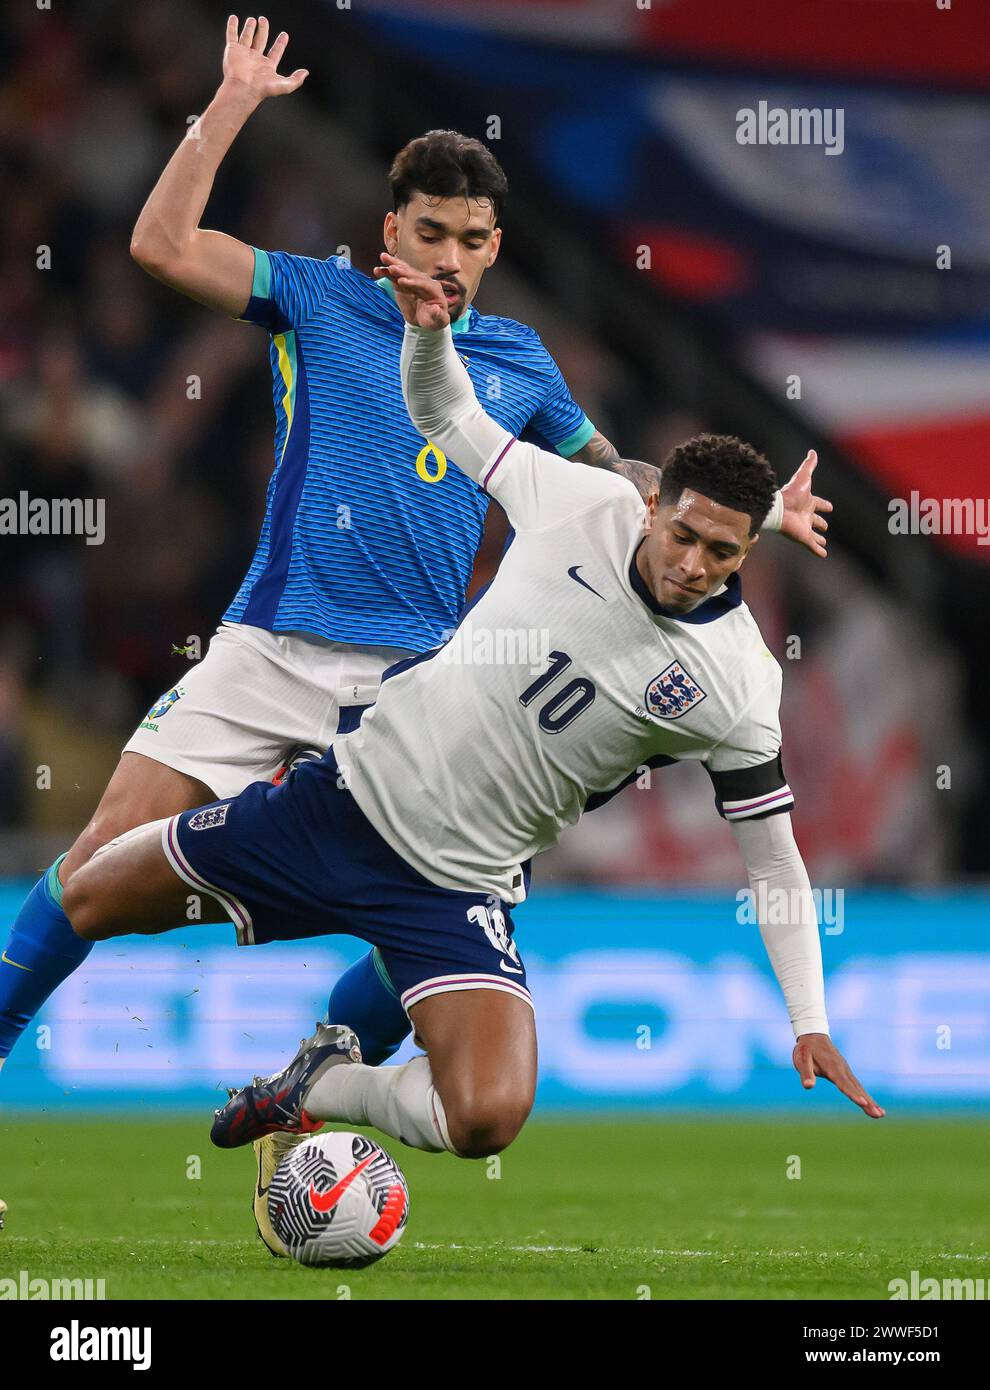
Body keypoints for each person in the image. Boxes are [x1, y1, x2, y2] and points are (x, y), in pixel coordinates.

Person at [62, 251, 882, 1190]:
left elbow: (775, 860)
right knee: (86, 894)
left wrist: (809, 1019)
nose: (694, 564)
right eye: (683, 534)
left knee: (487, 1115)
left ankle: (324, 1086)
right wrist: (424, 332)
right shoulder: (580, 498)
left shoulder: (737, 684)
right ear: (649, 504)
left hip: (458, 885)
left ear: (746, 556)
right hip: (341, 804)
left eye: (722, 552)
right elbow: (451, 414)